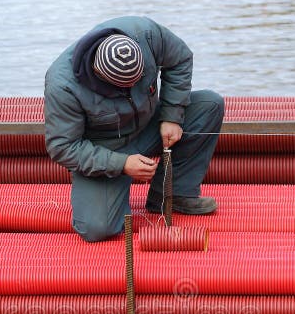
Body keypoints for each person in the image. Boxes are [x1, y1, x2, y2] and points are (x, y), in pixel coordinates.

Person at [44, 16, 224, 242]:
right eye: (124, 87)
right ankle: (113, 193)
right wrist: (122, 164)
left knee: (209, 105)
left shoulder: (146, 34)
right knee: (97, 228)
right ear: (100, 77)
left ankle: (171, 194)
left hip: (148, 125)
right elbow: (63, 147)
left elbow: (180, 59)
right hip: (106, 147)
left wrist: (171, 115)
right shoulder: (62, 86)